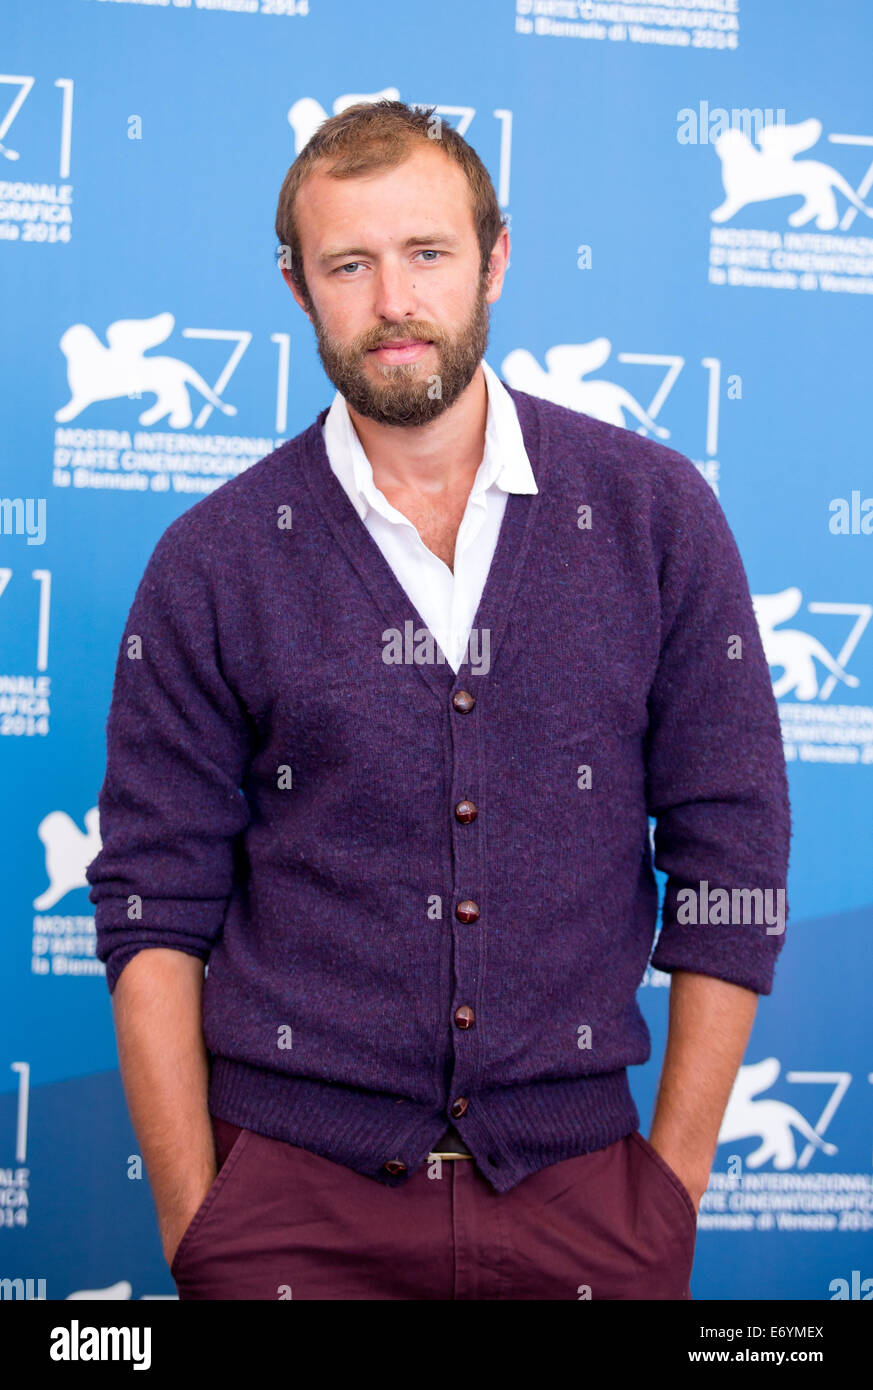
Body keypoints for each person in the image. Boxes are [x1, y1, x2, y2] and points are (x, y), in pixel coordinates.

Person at [87, 99, 791, 1301]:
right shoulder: (214, 559)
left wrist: (668, 1193)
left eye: (428, 254)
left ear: (496, 259)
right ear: (299, 290)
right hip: (292, 1217)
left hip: (586, 1206)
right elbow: (155, 902)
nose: (394, 301)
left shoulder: (653, 516)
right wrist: (199, 1224)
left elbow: (733, 856)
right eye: (349, 265)